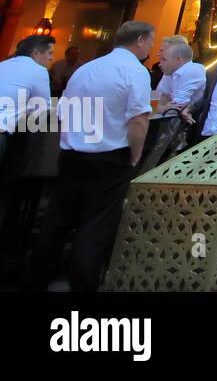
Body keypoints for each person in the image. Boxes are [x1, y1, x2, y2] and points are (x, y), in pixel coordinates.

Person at [25, 21, 154, 292]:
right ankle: (82, 284)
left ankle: (35, 279)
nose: (151, 47)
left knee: (56, 222)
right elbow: (139, 120)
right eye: (151, 41)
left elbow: (63, 111)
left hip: (72, 154)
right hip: (109, 156)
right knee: (95, 226)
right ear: (140, 41)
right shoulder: (135, 71)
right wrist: (135, 157)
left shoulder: (87, 68)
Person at [0, 33, 54, 134]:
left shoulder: (3, 64)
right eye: (50, 53)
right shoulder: (39, 70)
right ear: (36, 53)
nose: (52, 57)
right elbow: (42, 108)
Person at [156, 39, 205, 110]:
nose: (160, 64)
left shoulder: (192, 69)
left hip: (193, 119)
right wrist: (162, 107)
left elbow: (176, 107)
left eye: (164, 59)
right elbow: (160, 97)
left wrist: (159, 109)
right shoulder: (170, 71)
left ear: (178, 59)